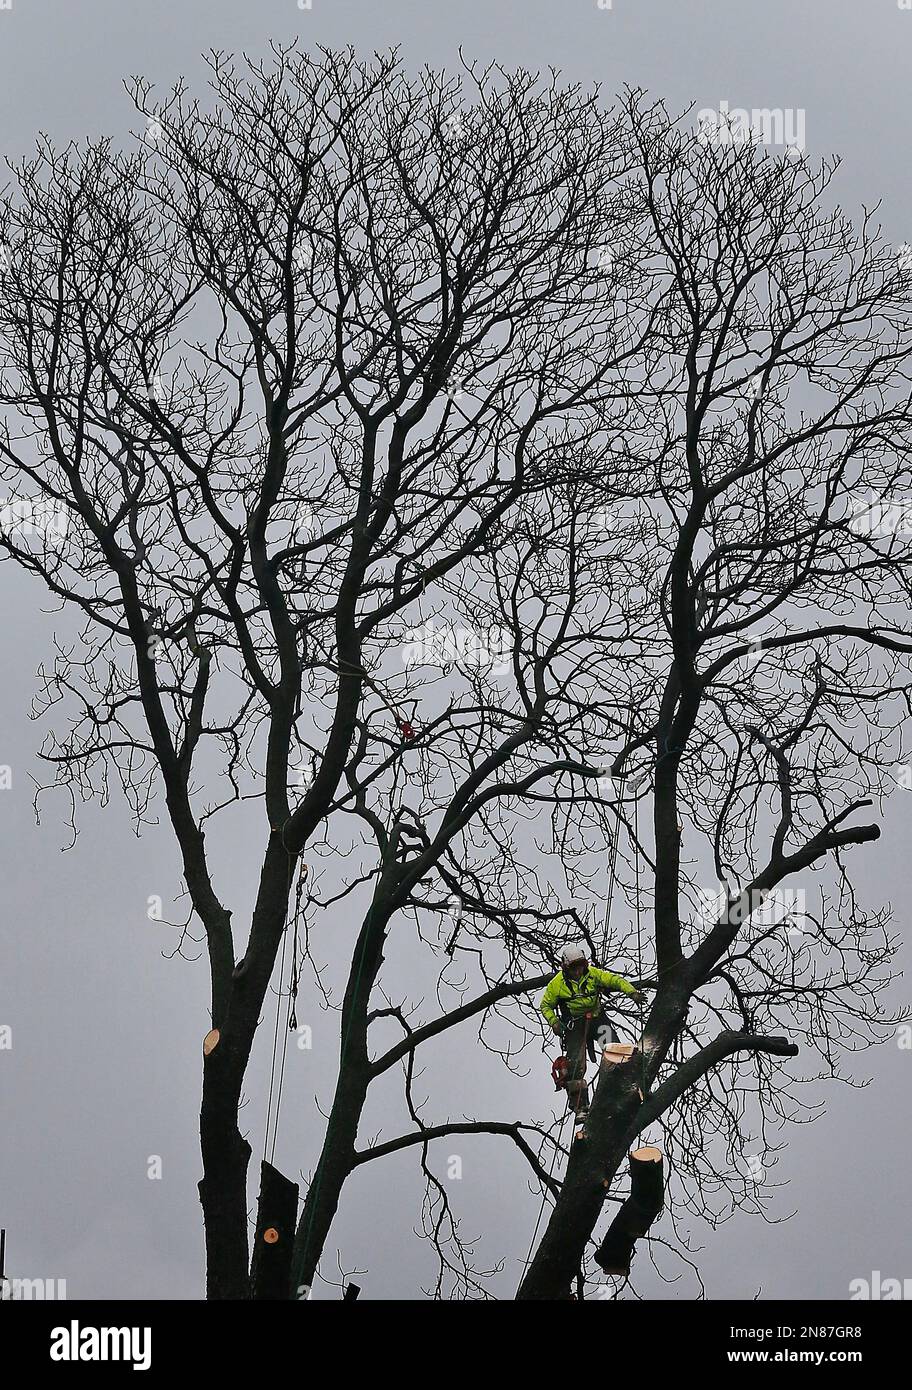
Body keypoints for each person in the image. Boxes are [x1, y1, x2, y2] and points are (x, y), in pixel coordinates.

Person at [540, 944, 644, 1116]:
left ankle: (621, 1090)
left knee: (614, 1051)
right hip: (574, 1025)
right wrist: (554, 1022)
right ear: (566, 968)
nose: (578, 972)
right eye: (574, 968)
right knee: (574, 1066)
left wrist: (631, 993)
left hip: (597, 1018)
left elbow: (614, 980)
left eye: (580, 967)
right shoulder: (557, 984)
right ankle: (580, 1106)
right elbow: (545, 1005)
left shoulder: (593, 975)